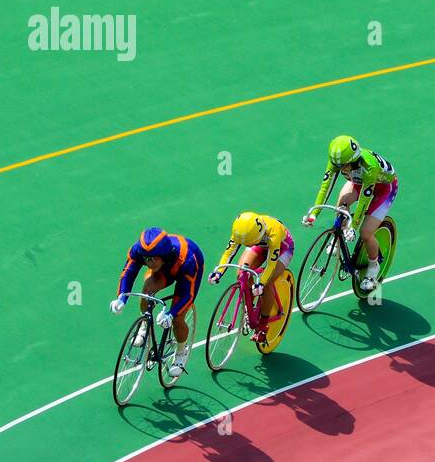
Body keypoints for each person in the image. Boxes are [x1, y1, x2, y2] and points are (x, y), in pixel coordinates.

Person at [303, 135, 398, 293]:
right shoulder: (337, 161)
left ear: (354, 159)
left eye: (345, 165)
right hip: (359, 182)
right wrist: (315, 213)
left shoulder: (370, 167)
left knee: (366, 233)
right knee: (341, 205)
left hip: (384, 189)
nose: (341, 169)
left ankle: (373, 268)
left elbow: (363, 201)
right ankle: (337, 240)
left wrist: (353, 226)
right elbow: (325, 187)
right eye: (338, 166)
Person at [111, 228, 204, 378]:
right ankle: (144, 324)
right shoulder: (139, 251)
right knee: (147, 290)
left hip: (185, 270)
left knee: (178, 318)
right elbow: (128, 273)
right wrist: (121, 298)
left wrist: (171, 314)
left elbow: (188, 295)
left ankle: (181, 351)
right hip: (165, 269)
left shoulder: (188, 260)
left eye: (154, 258)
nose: (149, 263)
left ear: (164, 254)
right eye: (147, 259)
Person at [207, 212, 293, 342]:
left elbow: (271, 265)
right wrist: (219, 271)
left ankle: (263, 326)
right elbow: (229, 252)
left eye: (248, 243)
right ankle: (250, 309)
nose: (245, 246)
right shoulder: (241, 231)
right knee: (242, 273)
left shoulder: (274, 234)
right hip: (259, 244)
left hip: (282, 249)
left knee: (268, 282)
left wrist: (262, 283)